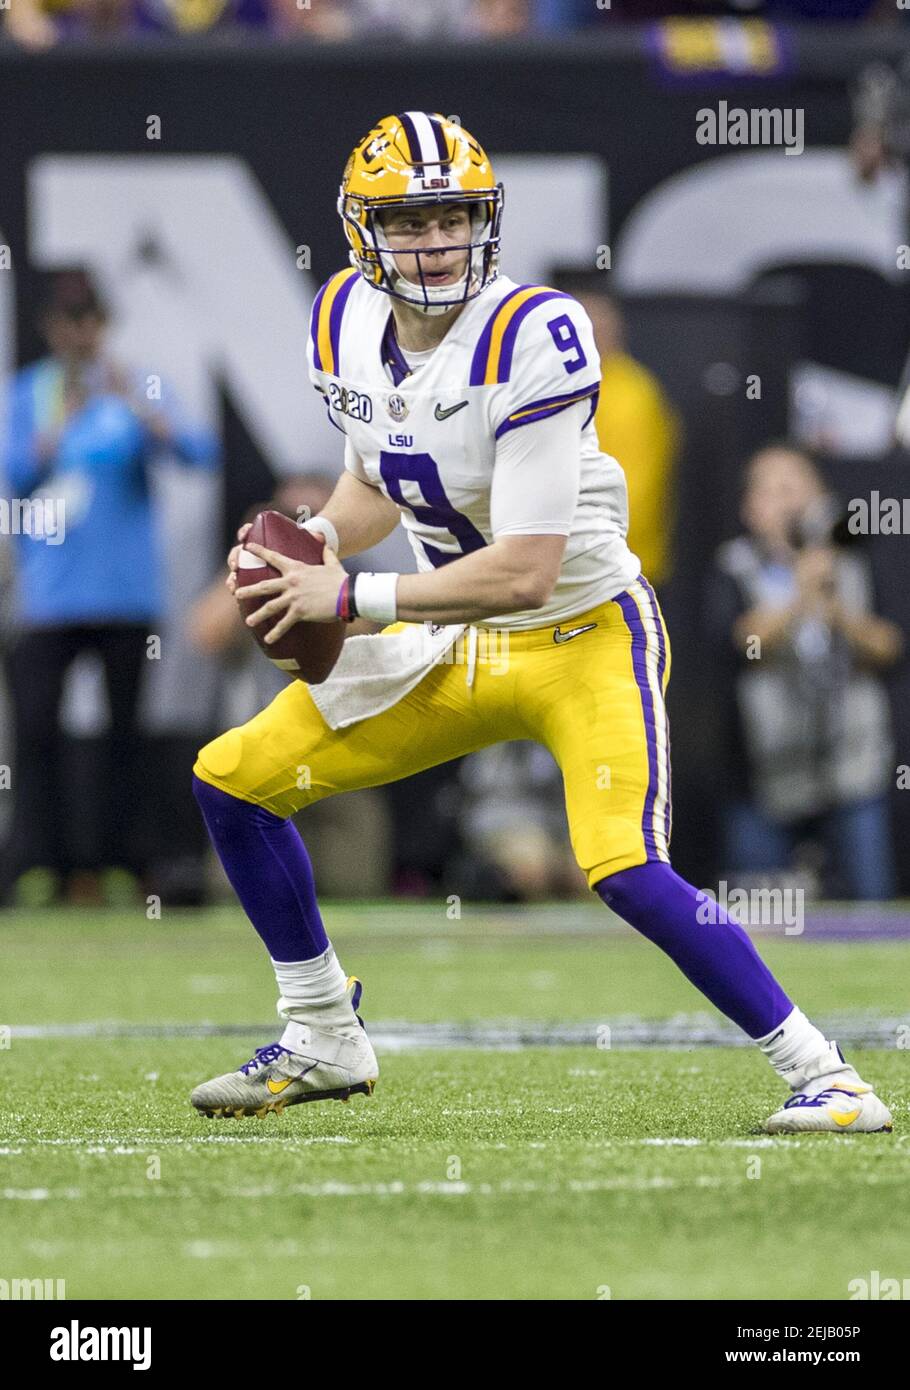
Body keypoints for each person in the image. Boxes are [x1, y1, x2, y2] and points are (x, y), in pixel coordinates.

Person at [190, 112, 891, 1134]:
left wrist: (343, 597)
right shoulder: (340, 314)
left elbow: (523, 572)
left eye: (454, 218)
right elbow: (373, 479)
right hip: (456, 639)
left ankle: (828, 1075)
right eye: (410, 221)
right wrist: (316, 541)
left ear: (486, 221)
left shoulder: (533, 334)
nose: (435, 243)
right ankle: (321, 1032)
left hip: (580, 632)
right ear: (361, 231)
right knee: (234, 781)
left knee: (621, 865)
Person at [2, 268, 218, 906]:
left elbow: (198, 454)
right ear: (51, 328)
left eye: (90, 320)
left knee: (127, 734)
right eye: (69, 321)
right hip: (49, 598)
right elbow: (16, 472)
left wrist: (143, 413)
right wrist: (56, 428)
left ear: (103, 325)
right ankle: (43, 865)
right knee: (36, 736)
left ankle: (125, 862)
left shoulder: (134, 384)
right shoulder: (31, 392)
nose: (79, 333)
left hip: (124, 596)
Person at [708, 443, 902, 900]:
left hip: (851, 767)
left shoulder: (856, 560)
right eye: (773, 491)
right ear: (750, 509)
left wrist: (833, 606)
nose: (789, 502)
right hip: (765, 772)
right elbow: (741, 646)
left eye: (798, 488)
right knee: (760, 911)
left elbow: (890, 645)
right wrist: (799, 595)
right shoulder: (733, 567)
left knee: (870, 905)